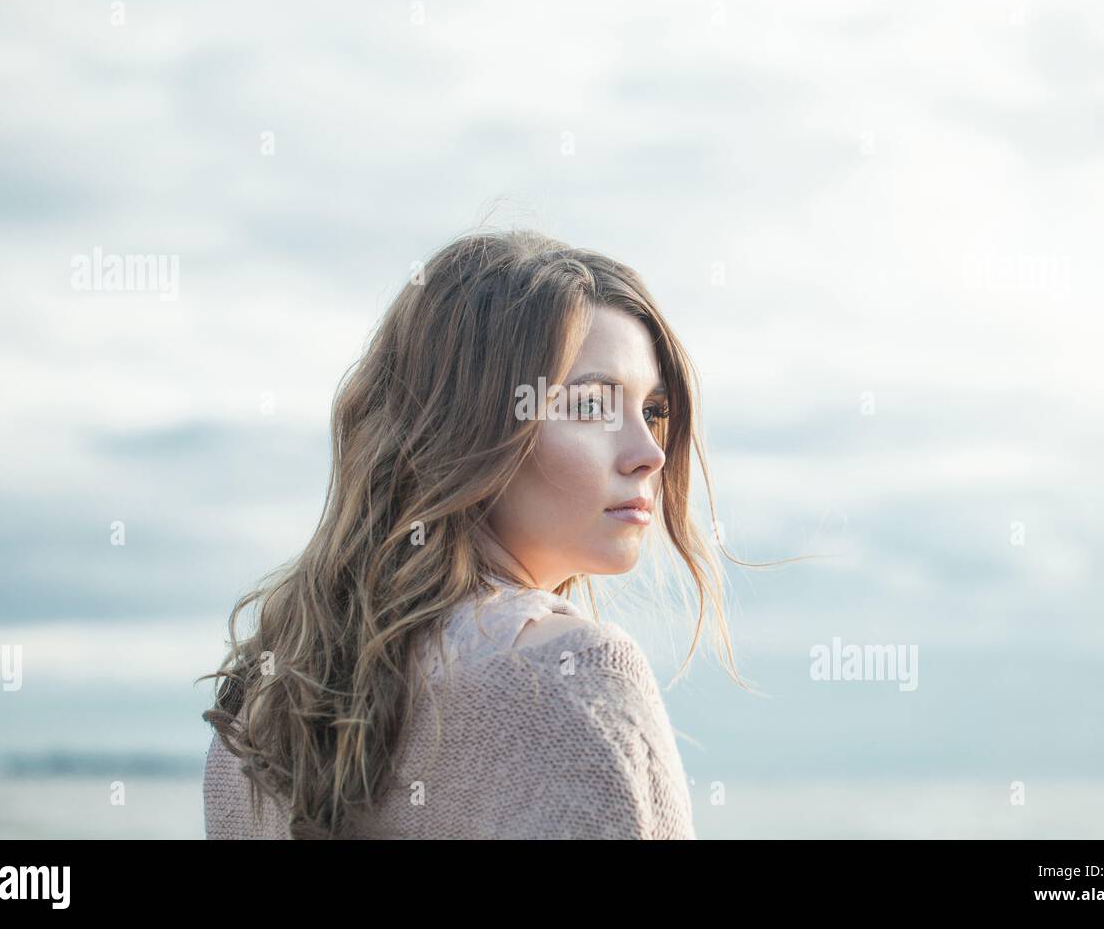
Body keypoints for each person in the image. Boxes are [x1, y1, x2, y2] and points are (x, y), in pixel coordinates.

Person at [199, 228, 753, 838]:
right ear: (467, 430)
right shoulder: (575, 677)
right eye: (592, 405)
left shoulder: (265, 706)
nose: (650, 452)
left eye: (653, 411)